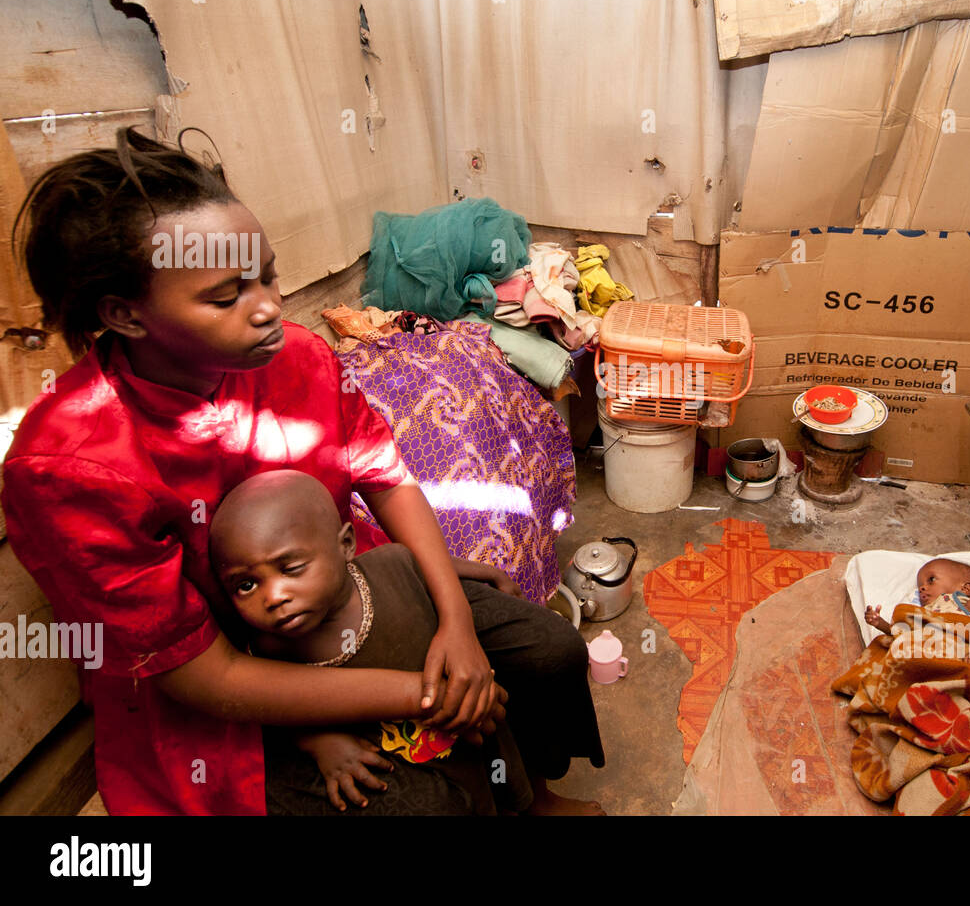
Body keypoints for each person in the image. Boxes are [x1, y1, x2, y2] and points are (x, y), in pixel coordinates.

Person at [2, 127, 603, 815]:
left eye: (268, 276)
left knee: (549, 652)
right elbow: (206, 677)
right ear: (123, 315)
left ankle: (533, 799)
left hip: (348, 594)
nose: (266, 308)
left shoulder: (294, 356)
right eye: (226, 297)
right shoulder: (70, 467)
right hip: (239, 683)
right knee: (422, 802)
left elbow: (383, 475)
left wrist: (451, 613)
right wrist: (428, 691)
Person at [210, 469, 537, 815]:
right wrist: (319, 742)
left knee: (498, 779)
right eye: (246, 585)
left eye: (290, 568)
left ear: (346, 545)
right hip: (402, 759)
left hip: (467, 722)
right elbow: (272, 716)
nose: (273, 597)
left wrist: (479, 572)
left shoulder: (391, 566)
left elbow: (423, 566)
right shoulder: (268, 650)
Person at [864, 558, 970, 635]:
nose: (922, 588)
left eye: (931, 580)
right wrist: (880, 624)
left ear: (965, 589)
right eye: (919, 587)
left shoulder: (967, 604)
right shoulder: (926, 613)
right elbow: (903, 635)